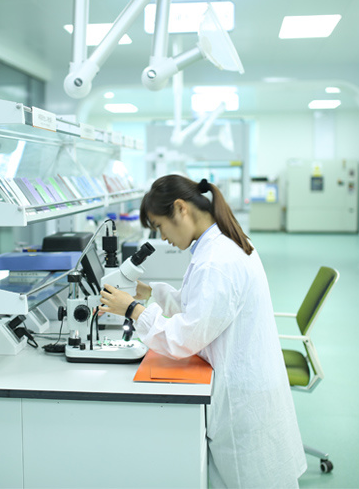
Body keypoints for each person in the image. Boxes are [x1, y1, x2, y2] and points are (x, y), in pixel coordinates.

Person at [98, 175, 307, 488]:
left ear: (181, 209)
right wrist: (149, 292)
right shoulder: (220, 243)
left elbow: (184, 338)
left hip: (242, 401)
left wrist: (132, 310)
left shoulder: (216, 261)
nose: (162, 237)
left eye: (159, 226)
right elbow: (201, 304)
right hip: (249, 383)